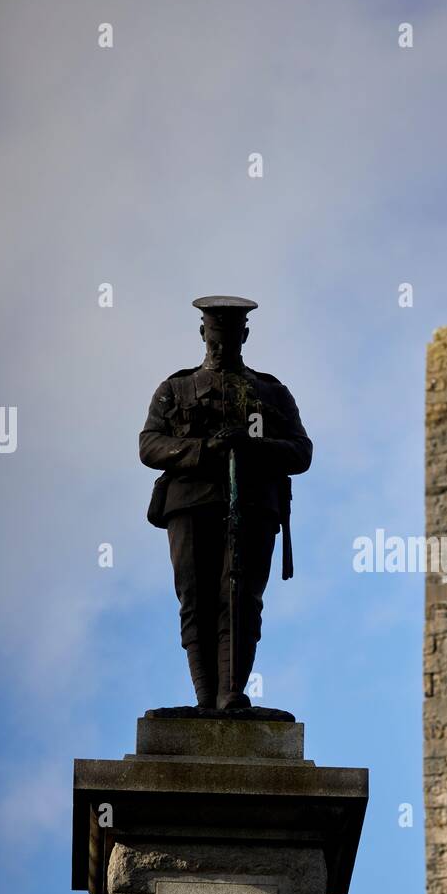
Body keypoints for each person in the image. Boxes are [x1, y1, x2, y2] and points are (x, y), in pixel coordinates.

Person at [139, 295, 312, 709]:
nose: (221, 348)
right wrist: (203, 449)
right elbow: (149, 445)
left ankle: (230, 694)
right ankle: (204, 698)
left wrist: (253, 447)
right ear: (203, 335)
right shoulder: (176, 388)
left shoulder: (270, 392)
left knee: (241, 600)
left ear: (245, 337)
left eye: (230, 340)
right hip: (189, 503)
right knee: (195, 598)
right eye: (215, 340)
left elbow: (300, 452)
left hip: (252, 505)